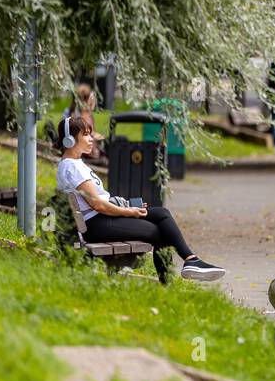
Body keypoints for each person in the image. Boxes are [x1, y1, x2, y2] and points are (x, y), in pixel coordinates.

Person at [54, 113, 225, 282]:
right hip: (96, 225)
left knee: (161, 213)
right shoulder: (72, 167)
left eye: (90, 134)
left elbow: (98, 202)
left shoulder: (73, 164)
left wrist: (127, 206)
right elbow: (97, 204)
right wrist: (129, 212)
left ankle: (191, 260)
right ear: (70, 140)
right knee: (159, 232)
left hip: (99, 220)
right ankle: (171, 280)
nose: (91, 139)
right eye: (85, 135)